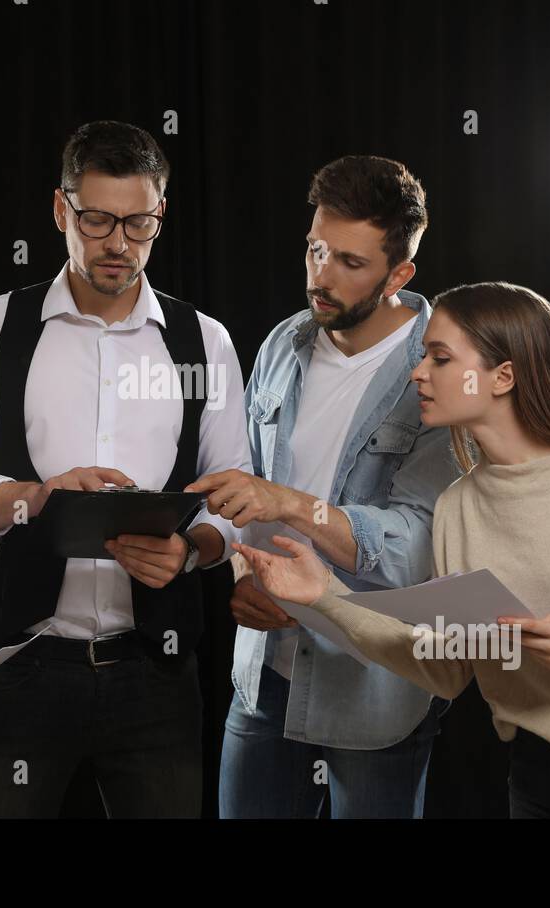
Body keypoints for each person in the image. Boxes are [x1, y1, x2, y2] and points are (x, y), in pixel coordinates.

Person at [234, 281, 550, 818]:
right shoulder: (457, 506)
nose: (418, 373)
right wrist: (325, 596)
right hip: (536, 781)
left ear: (503, 376)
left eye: (439, 358)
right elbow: (448, 666)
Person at [0, 120, 252, 817]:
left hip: (155, 679)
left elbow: (233, 495)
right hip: (18, 671)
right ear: (59, 210)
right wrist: (34, 497)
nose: (118, 244)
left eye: (139, 224)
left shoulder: (205, 342)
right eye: (97, 219)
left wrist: (192, 550)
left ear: (161, 216)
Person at [188, 155, 461, 818]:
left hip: (374, 684)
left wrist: (292, 506)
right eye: (315, 250)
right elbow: (239, 492)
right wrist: (240, 576)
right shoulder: (284, 343)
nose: (322, 275)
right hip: (265, 675)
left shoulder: (442, 369)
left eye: (349, 261)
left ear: (400, 274)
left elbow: (414, 547)